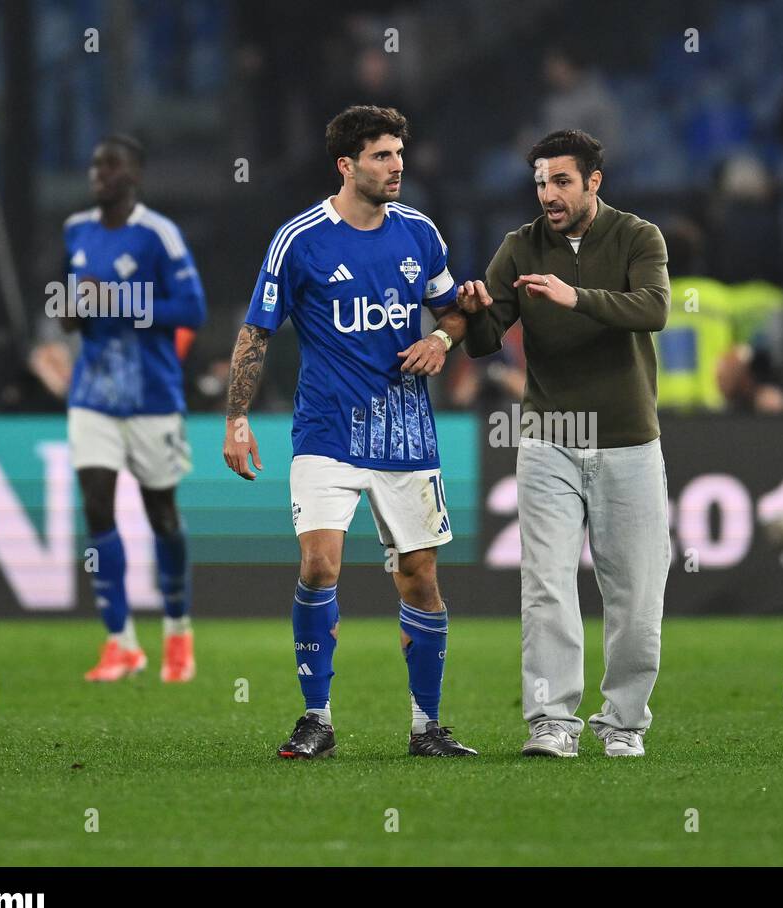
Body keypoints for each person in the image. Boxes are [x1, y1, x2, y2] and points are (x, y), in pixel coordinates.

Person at [222, 105, 478, 759]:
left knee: (419, 577)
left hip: (405, 433)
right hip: (326, 432)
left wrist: (442, 341)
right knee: (319, 564)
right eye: (382, 156)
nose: (397, 166)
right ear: (347, 165)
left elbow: (454, 314)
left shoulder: (420, 233)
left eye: (399, 154)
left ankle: (427, 726)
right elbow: (256, 332)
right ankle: (317, 718)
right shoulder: (300, 239)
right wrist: (236, 417)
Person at [458, 129, 671, 757]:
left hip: (629, 437)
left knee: (635, 593)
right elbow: (485, 339)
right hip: (549, 435)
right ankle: (551, 720)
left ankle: (625, 721)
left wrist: (574, 297)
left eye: (561, 181)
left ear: (593, 182)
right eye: (540, 183)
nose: (548, 194)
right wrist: (474, 310)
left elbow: (653, 309)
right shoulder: (519, 247)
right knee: (546, 583)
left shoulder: (638, 237)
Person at [64, 134, 206, 683]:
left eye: (112, 165)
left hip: (151, 397)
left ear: (135, 176)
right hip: (93, 395)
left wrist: (118, 300)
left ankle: (177, 629)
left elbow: (190, 308)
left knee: (160, 516)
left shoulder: (158, 234)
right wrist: (71, 312)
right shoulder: (76, 229)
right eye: (96, 163)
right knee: (97, 505)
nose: (99, 172)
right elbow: (70, 302)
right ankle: (120, 641)